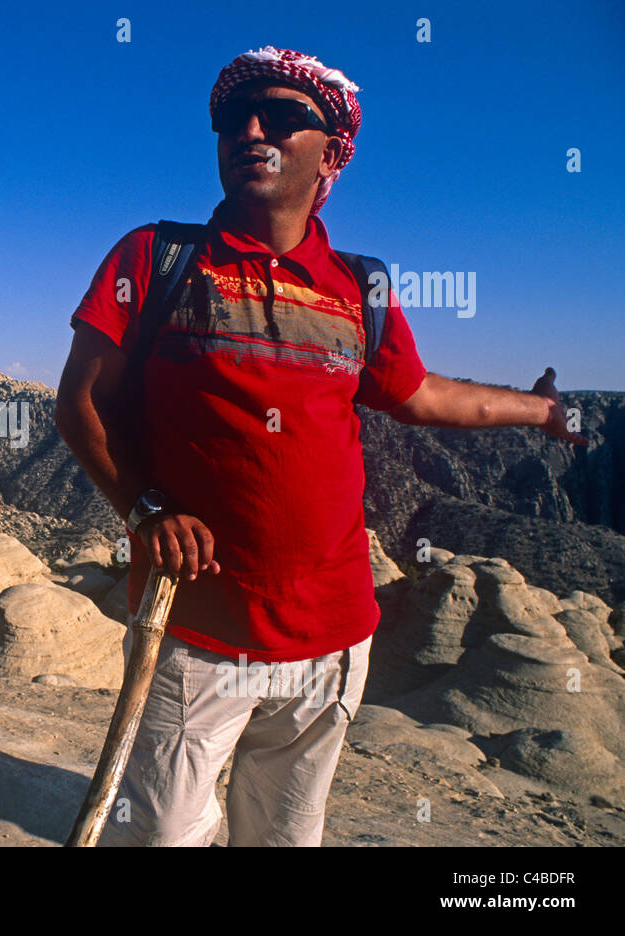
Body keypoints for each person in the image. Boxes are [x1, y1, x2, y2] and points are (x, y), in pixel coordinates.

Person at [54, 45, 588, 847]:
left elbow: (423, 395)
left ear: (332, 151)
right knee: (161, 835)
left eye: (282, 116)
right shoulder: (157, 259)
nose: (252, 129)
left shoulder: (358, 288)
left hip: (334, 640)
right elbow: (80, 403)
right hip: (195, 631)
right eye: (234, 117)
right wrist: (146, 509)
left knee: (285, 836)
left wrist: (538, 412)